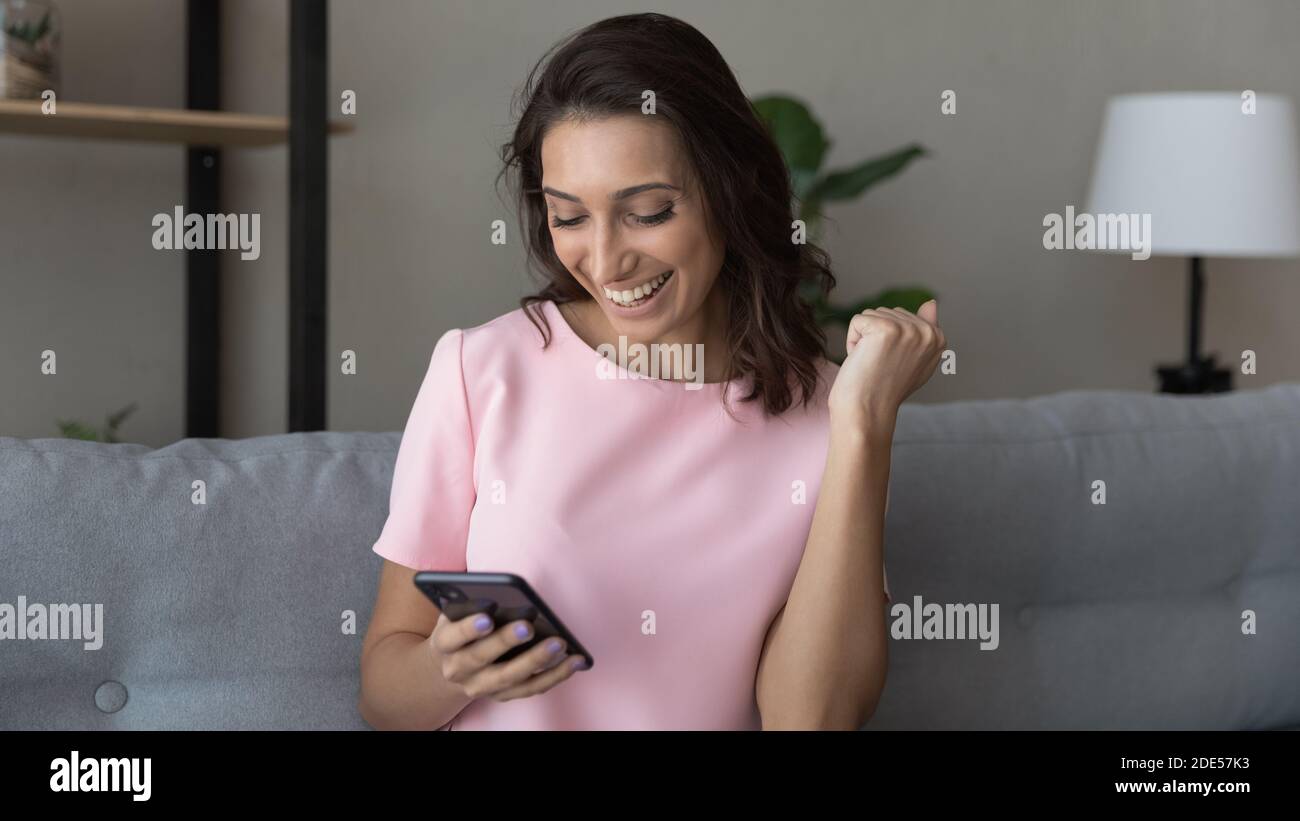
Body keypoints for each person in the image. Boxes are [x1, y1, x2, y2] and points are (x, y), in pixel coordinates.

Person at [358, 12, 945, 731]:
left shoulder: (831, 416)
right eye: (569, 217)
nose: (605, 263)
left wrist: (862, 425)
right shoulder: (480, 370)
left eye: (647, 212)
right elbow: (384, 698)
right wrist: (447, 668)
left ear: (731, 194)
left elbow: (811, 720)